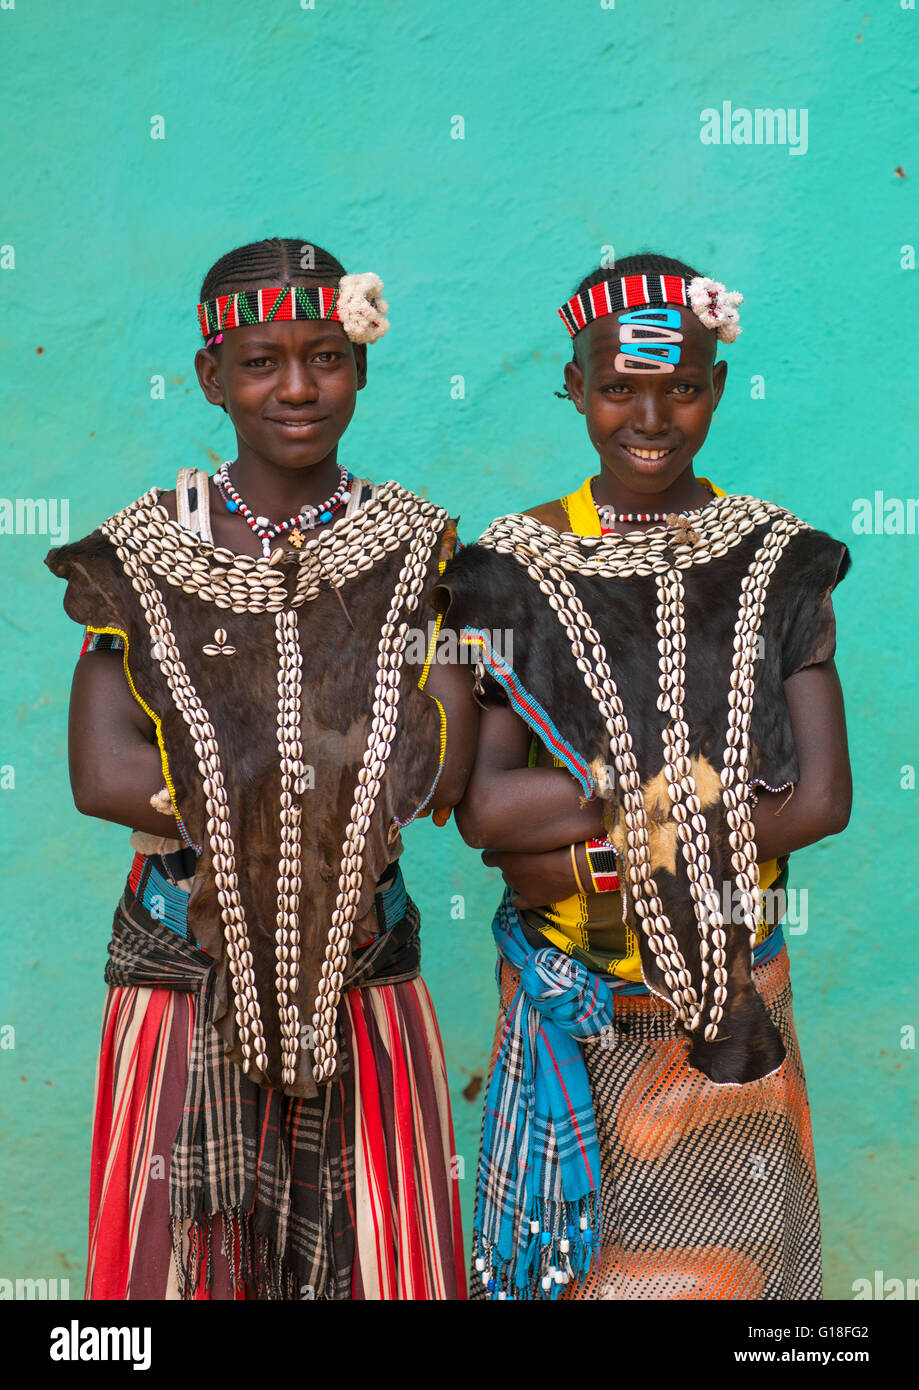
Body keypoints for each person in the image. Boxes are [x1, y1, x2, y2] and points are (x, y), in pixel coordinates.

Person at [45, 236, 475, 1301]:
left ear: (362, 365)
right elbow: (101, 769)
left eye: (326, 355)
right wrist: (308, 793)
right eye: (260, 362)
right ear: (211, 379)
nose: (297, 387)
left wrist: (253, 781)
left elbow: (444, 761)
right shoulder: (147, 551)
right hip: (183, 971)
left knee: (382, 1259)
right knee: (183, 1268)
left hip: (361, 968)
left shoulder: (417, 546)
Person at [436, 252, 852, 1301]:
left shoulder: (775, 560)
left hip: (734, 993)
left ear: (715, 384)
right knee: (582, 1272)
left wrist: (582, 847)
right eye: (618, 384)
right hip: (575, 1001)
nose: (650, 414)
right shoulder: (511, 565)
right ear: (574, 385)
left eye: (680, 385)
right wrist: (680, 787)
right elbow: (483, 808)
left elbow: (818, 799)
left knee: (745, 1274)